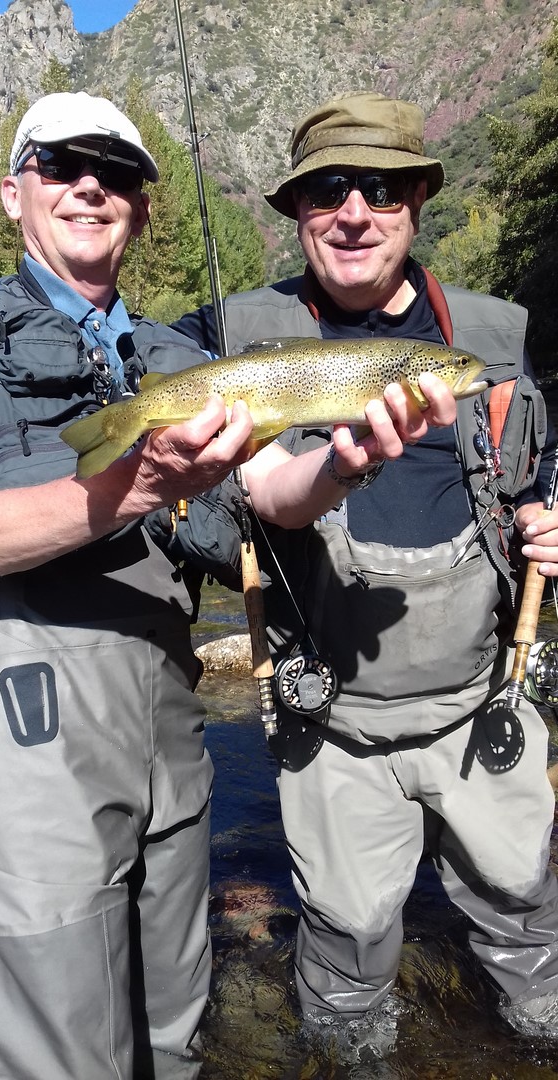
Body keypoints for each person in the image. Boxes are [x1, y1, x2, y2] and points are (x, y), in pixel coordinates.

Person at [0, 90, 452, 1080]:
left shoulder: (177, 355)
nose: (92, 184)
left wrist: (349, 459)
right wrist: (127, 485)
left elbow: (271, 492)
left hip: (170, 724)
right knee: (58, 1050)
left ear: (139, 207)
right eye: (61, 164)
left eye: (120, 173)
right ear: (14, 195)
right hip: (22, 726)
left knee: (173, 1025)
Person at [173, 90, 558, 1051]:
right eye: (328, 190)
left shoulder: (493, 343)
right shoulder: (234, 335)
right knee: (347, 962)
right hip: (334, 727)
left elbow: (538, 480)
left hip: (484, 706)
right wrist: (344, 465)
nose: (354, 210)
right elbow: (265, 495)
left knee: (530, 921)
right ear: (300, 210)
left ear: (418, 200)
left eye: (381, 187)